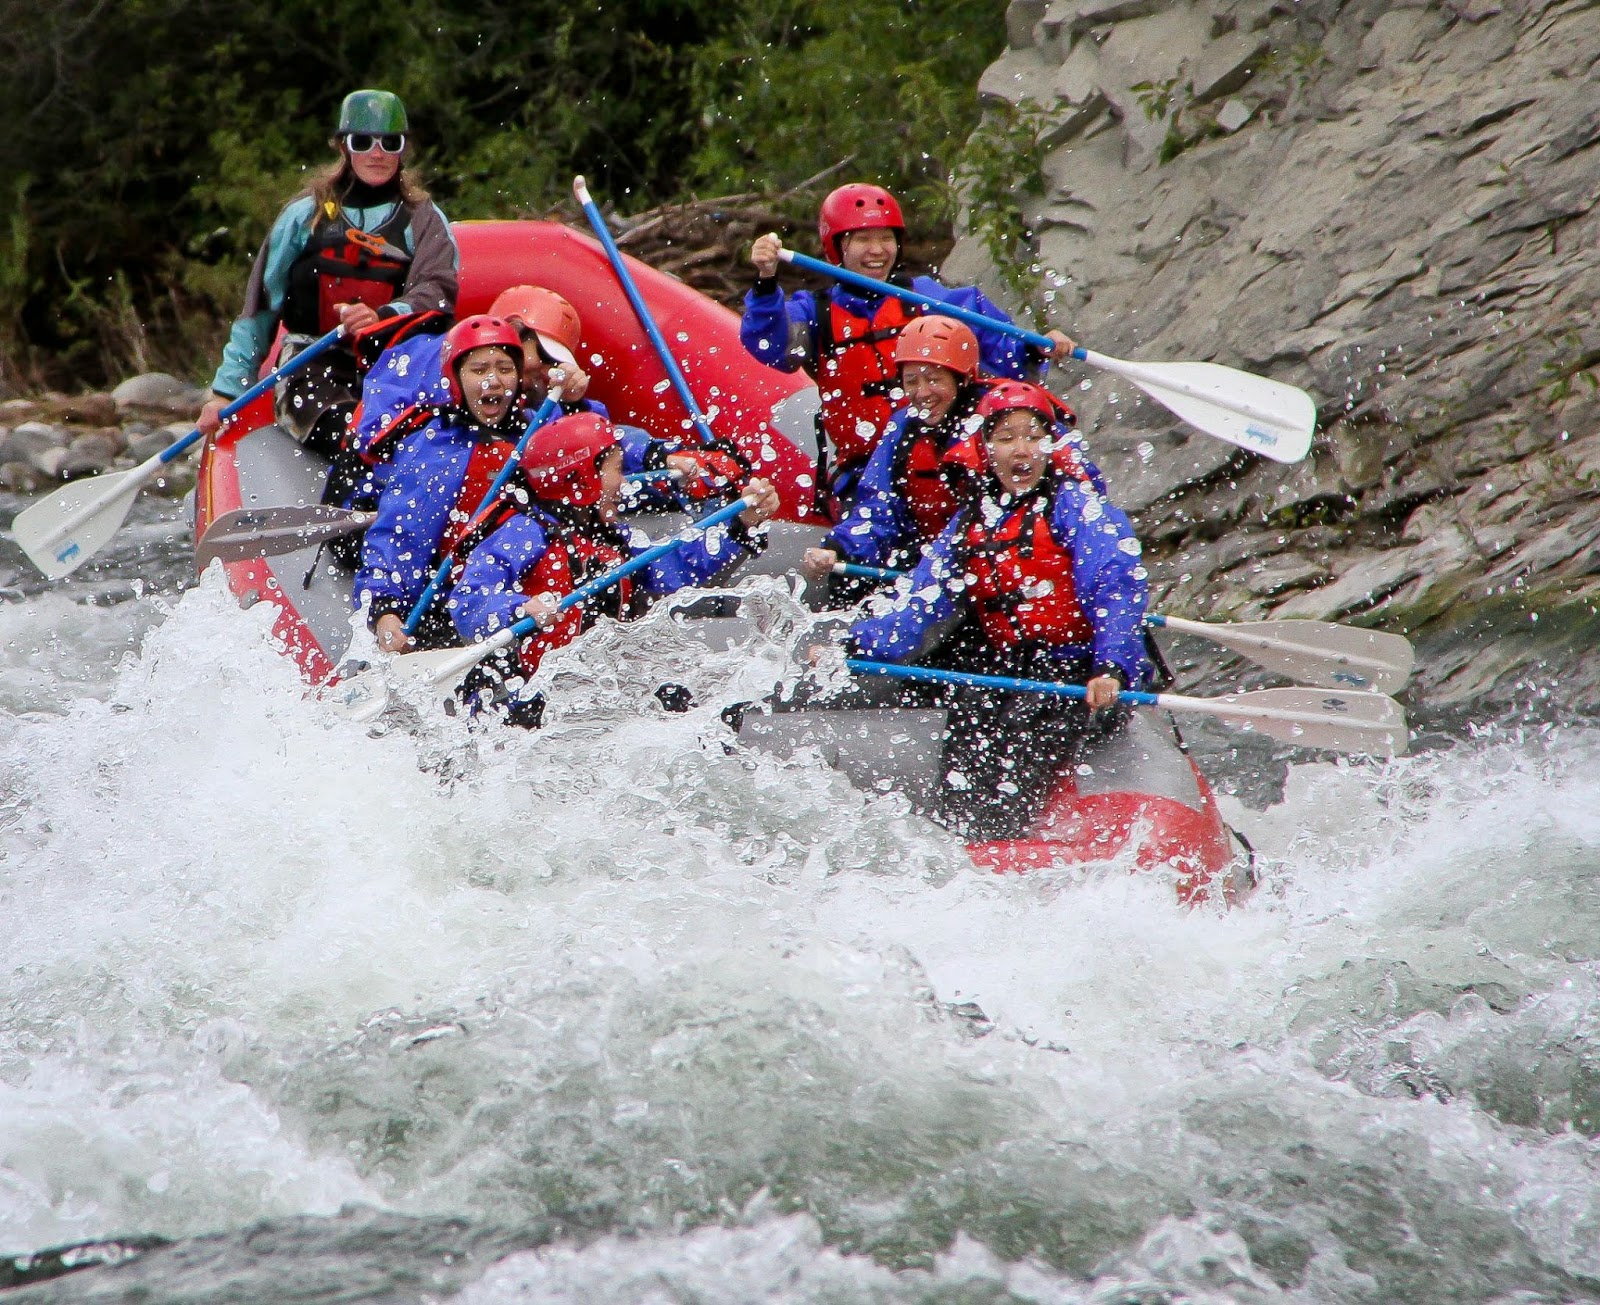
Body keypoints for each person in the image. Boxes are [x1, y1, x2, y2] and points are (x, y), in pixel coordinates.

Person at [838, 380, 1148, 841]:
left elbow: (1117, 588)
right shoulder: (970, 522)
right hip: (1010, 669)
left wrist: (1111, 668)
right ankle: (963, 845)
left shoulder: (1075, 507)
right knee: (966, 737)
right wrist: (853, 644)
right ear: (984, 448)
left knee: (1017, 755)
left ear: (1049, 445)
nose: (1020, 450)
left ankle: (1007, 844)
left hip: (1076, 674)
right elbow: (918, 607)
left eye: (1031, 436)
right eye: (1005, 438)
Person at [740, 183, 1076, 513]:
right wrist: (767, 280)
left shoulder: (928, 299)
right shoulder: (815, 313)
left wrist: (1037, 348)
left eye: (886, 238)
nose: (877, 250)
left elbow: (1003, 351)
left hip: (946, 462)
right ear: (837, 246)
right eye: (863, 239)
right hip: (865, 477)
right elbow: (768, 345)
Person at [446, 412, 780, 724]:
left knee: (687, 701)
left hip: (594, 689)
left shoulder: (613, 539)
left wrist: (742, 523)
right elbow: (469, 600)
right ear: (581, 477)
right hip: (526, 692)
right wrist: (520, 607)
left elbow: (678, 566)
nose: (624, 483)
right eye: (616, 469)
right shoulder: (524, 531)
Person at [197, 90, 458, 443]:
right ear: (343, 146)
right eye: (363, 141)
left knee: (404, 437)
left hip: (394, 364)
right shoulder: (304, 216)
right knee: (355, 435)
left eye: (390, 142)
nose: (377, 153)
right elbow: (260, 309)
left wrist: (383, 316)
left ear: (403, 149)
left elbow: (438, 292)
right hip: (312, 360)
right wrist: (224, 393)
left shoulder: (425, 220)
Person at [347, 284, 744, 513]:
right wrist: (463, 427)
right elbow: (372, 438)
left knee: (594, 453)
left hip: (487, 502)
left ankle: (677, 466)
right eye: (547, 358)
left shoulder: (520, 393)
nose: (545, 373)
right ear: (516, 333)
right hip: (401, 497)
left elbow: (588, 441)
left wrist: (573, 407)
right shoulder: (422, 357)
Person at [796, 321, 1105, 605]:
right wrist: (837, 549)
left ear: (962, 378)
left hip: (1013, 562)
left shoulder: (1006, 420)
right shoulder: (903, 429)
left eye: (934, 379)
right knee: (848, 585)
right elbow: (878, 513)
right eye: (911, 381)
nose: (922, 393)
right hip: (939, 568)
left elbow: (1083, 492)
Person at [354, 314, 530, 654]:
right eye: (479, 370)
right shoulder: (436, 449)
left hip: (524, 594)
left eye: (504, 369)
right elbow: (400, 535)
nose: (493, 381)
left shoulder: (537, 429)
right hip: (451, 601)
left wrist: (655, 454)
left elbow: (603, 446)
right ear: (456, 379)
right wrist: (385, 611)